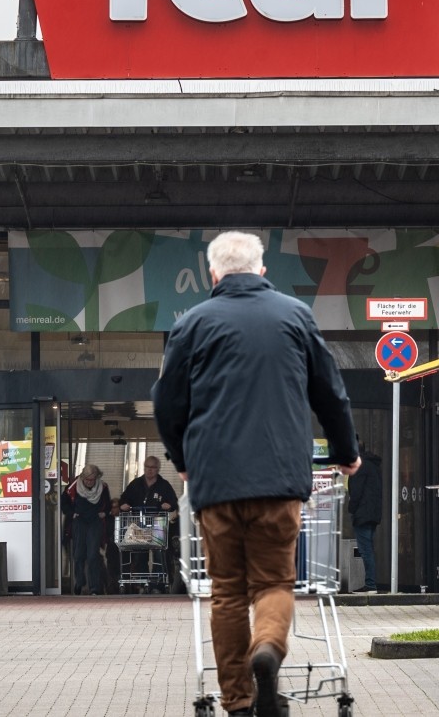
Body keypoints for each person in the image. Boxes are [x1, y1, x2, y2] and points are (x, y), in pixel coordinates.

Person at [153, 231, 359, 717]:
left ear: (213, 274)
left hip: (216, 484)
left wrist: (181, 458)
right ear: (263, 270)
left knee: (225, 592)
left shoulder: (193, 324)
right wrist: (346, 452)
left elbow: (167, 402)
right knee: (273, 583)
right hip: (279, 481)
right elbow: (330, 392)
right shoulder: (295, 316)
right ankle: (267, 648)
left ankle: (240, 702)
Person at [120, 455, 180, 592]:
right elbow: (124, 499)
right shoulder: (135, 484)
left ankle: (157, 584)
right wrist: (124, 504)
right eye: (147, 467)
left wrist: (168, 505)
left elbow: (174, 502)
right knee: (140, 553)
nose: (150, 470)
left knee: (159, 554)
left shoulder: (164, 485)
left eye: (153, 467)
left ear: (158, 469)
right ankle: (143, 583)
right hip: (139, 524)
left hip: (158, 524)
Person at [62, 464, 110, 595]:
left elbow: (108, 504)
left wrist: (104, 513)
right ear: (82, 478)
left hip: (95, 522)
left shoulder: (103, 487)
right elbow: (63, 502)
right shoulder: (73, 486)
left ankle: (94, 587)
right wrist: (72, 513)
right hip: (79, 522)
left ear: (97, 478)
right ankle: (79, 582)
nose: (89, 483)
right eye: (87, 480)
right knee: (78, 555)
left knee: (93, 555)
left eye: (92, 480)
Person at [347, 435, 384, 593]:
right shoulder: (372, 465)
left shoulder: (359, 466)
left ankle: (370, 584)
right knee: (368, 548)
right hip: (372, 513)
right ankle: (370, 583)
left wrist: (351, 508)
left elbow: (356, 492)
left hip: (363, 513)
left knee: (365, 549)